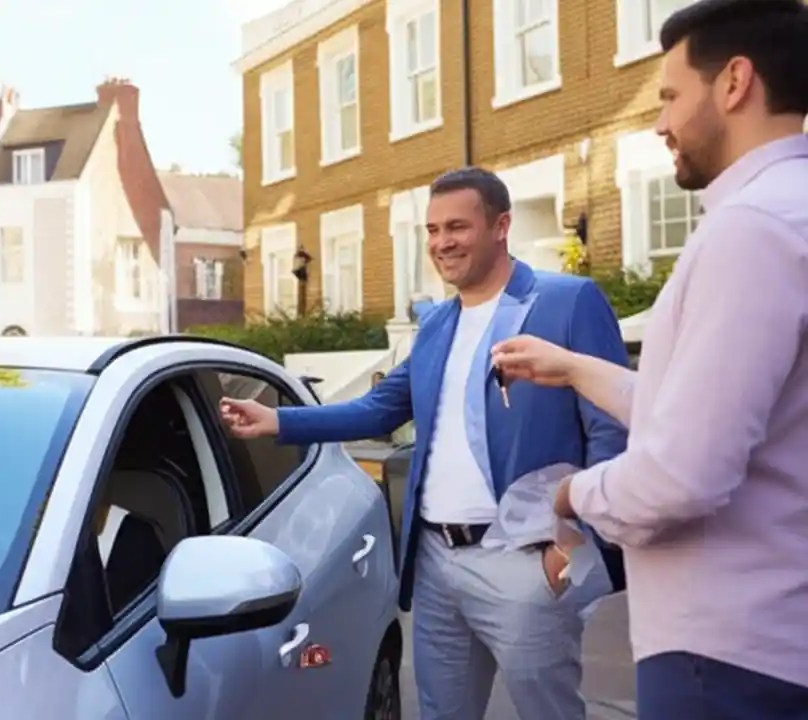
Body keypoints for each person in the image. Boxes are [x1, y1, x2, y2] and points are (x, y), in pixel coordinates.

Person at [489, 1, 808, 717]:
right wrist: (575, 368)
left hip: (725, 655)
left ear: (734, 82)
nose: (661, 123)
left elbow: (681, 475)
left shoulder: (751, 231)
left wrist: (568, 497)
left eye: (669, 96)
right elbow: (712, 414)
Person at [220, 167, 628, 720]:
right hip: (436, 561)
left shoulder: (567, 301)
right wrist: (278, 420)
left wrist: (574, 546)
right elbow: (381, 409)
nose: (442, 243)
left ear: (501, 226)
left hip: (526, 562)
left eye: (457, 227)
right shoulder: (437, 324)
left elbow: (612, 427)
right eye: (433, 230)